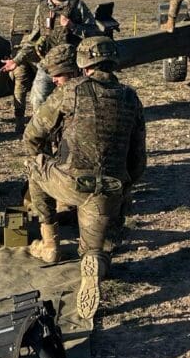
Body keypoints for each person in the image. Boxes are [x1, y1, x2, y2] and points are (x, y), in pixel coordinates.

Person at [22, 36, 147, 320]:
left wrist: (50, 161)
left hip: (71, 184)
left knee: (34, 165)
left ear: (83, 63)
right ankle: (94, 262)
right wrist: (123, 191)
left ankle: (50, 243)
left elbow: (31, 137)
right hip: (109, 190)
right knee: (96, 248)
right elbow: (138, 160)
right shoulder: (130, 96)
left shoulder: (70, 91)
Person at [1, 0, 98, 133]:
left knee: (73, 101)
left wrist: (74, 27)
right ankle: (46, 136)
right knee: (37, 99)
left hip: (71, 66)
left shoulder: (76, 6)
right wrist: (16, 60)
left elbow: (94, 32)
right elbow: (33, 38)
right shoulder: (43, 7)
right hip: (48, 64)